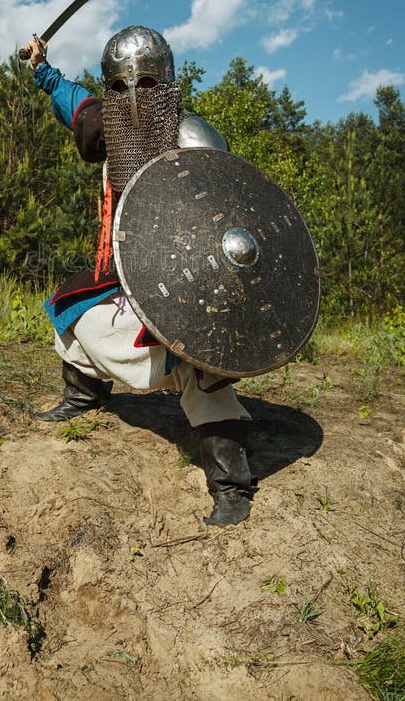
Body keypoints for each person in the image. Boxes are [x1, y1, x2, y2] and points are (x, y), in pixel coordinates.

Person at [24, 26, 257, 526]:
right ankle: (84, 394)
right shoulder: (108, 125)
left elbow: (229, 223)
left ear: (167, 84)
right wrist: (42, 69)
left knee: (201, 362)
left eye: (147, 83)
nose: (133, 96)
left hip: (190, 283)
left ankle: (231, 484)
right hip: (125, 275)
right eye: (120, 86)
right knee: (73, 306)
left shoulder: (194, 138)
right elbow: (72, 101)